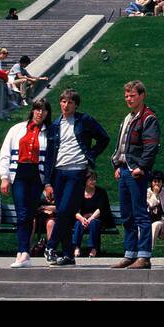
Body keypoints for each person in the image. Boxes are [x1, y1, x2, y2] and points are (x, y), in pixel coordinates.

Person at [46, 89, 111, 266]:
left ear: (76, 105)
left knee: (66, 209)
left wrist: (90, 155)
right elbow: (49, 155)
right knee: (63, 213)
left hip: (77, 170)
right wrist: (47, 182)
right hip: (59, 172)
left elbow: (104, 138)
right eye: (63, 102)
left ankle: (50, 245)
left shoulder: (84, 120)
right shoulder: (55, 124)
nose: (66, 105)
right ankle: (68, 255)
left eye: (70, 103)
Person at [0, 98, 57, 269]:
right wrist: (4, 177)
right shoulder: (17, 129)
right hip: (20, 174)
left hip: (36, 176)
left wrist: (48, 183)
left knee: (29, 214)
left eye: (44, 110)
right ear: (32, 110)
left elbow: (50, 161)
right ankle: (22, 251)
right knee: (22, 213)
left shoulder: (50, 133)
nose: (40, 113)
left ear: (47, 113)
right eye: (38, 109)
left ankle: (25, 253)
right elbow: (5, 153)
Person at [111, 80, 161, 269]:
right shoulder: (128, 117)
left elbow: (151, 146)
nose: (128, 99)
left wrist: (141, 166)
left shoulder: (148, 118)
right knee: (127, 214)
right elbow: (122, 146)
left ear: (142, 96)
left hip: (136, 172)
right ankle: (130, 253)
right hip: (124, 169)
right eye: (126, 96)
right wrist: (118, 164)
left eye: (132, 95)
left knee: (140, 213)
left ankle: (144, 255)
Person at [70, 171, 115, 257]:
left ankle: (93, 248)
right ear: (85, 181)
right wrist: (82, 219)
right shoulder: (79, 192)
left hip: (98, 219)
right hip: (83, 219)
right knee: (78, 223)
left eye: (94, 179)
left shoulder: (101, 192)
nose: (93, 181)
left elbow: (101, 209)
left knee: (94, 222)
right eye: (91, 180)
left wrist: (91, 219)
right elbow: (75, 209)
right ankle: (76, 247)